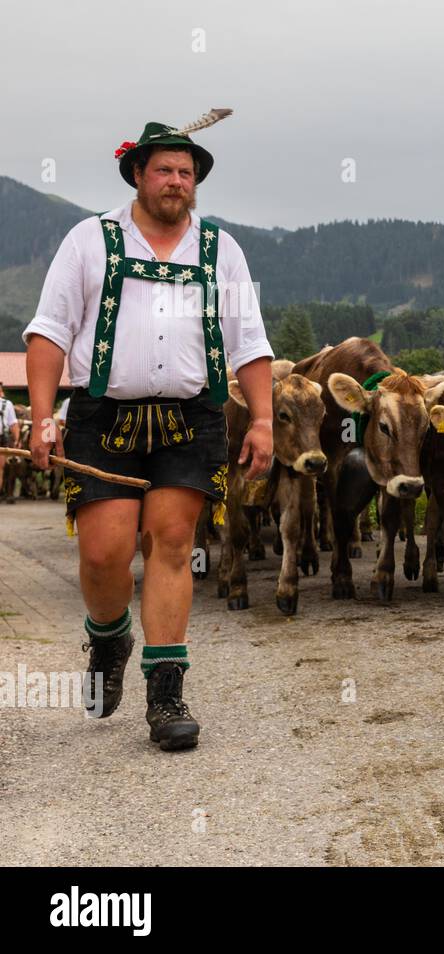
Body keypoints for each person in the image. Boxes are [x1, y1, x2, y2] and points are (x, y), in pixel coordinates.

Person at [23, 109, 275, 750]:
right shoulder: (89, 241)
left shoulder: (223, 250)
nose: (176, 182)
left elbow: (249, 341)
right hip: (104, 416)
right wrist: (46, 416)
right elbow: (50, 331)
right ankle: (109, 637)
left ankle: (166, 695)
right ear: (137, 173)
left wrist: (265, 419)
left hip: (190, 418)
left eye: (186, 172)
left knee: (171, 542)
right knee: (104, 553)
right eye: (163, 169)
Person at [0, 383, 19, 503]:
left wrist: (17, 440)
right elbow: (14, 424)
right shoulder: (7, 404)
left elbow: (13, 424)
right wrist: (16, 440)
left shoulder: (6, 404)